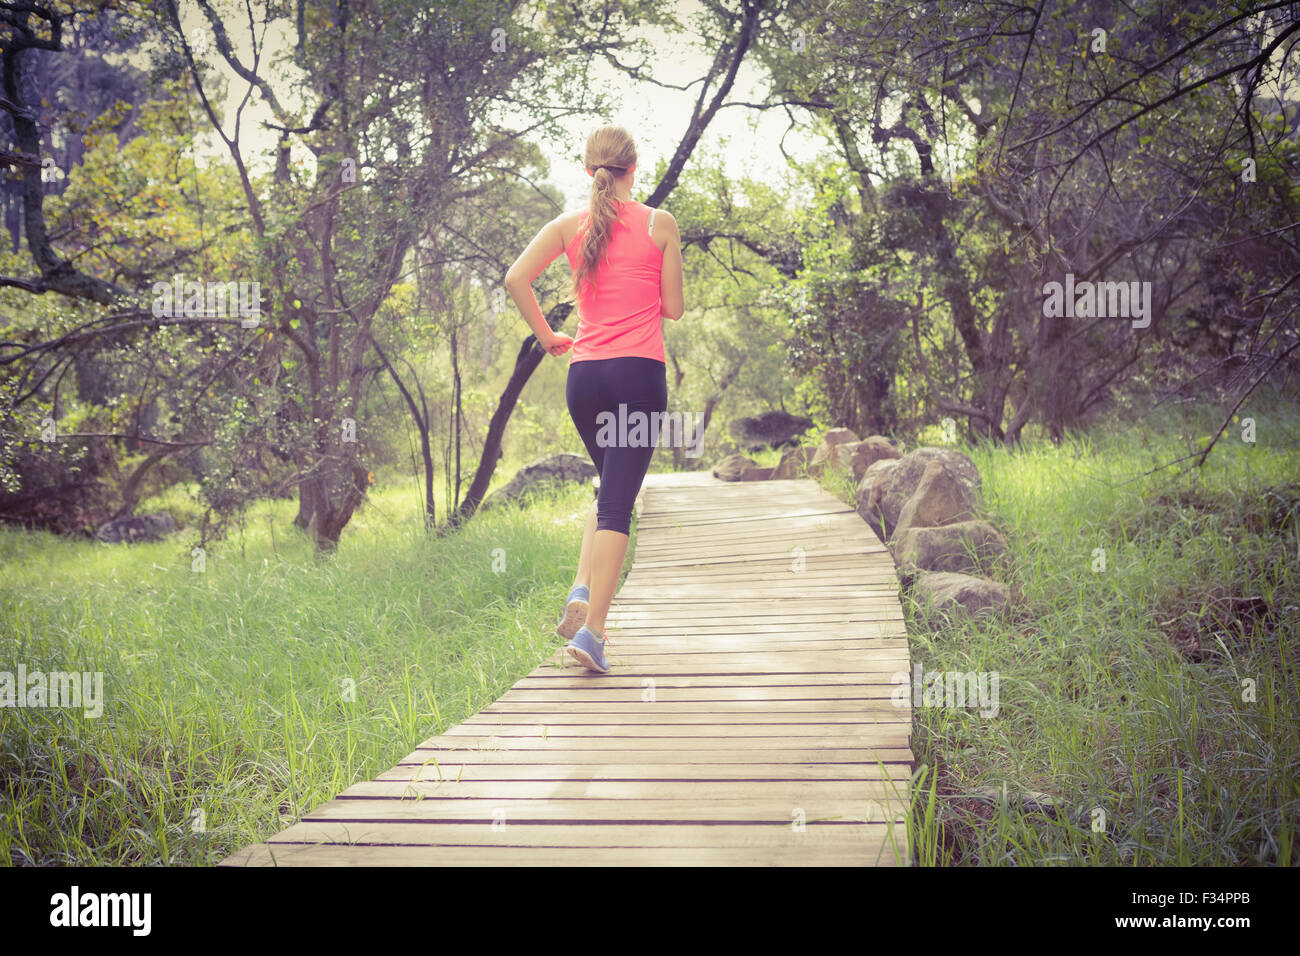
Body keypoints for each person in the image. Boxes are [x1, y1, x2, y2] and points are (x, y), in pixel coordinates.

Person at [504, 125, 684, 673]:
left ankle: (580, 588)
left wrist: (546, 336)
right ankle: (593, 635)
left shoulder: (565, 227)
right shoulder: (660, 224)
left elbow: (516, 279)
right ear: (634, 168)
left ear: (589, 171)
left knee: (610, 486)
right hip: (638, 376)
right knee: (616, 505)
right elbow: (673, 309)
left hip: (584, 377)